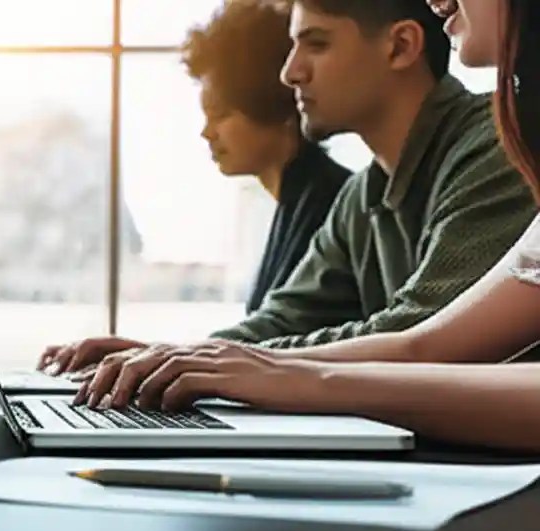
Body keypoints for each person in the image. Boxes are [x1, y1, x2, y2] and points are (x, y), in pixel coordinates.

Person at [66, 0, 540, 453]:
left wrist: (266, 369)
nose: (289, 72)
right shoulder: (362, 193)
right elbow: (414, 341)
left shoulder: (495, 147)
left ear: (400, 47)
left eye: (316, 43)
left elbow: (423, 337)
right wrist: (183, 358)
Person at [185, 0, 351, 312]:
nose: (207, 132)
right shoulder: (302, 195)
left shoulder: (329, 204)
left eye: (220, 114)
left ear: (273, 105)